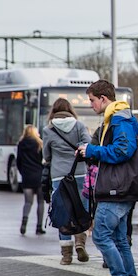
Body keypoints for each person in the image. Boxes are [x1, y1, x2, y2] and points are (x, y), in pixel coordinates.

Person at [79, 79, 138, 276]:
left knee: (100, 235)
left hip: (118, 189)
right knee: (119, 239)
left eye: (92, 100)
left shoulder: (119, 119)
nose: (91, 105)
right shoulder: (119, 118)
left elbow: (123, 150)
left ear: (104, 99)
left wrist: (93, 150)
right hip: (122, 187)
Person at [41, 98, 92, 264]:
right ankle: (80, 242)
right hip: (79, 174)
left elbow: (46, 155)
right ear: (70, 109)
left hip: (59, 176)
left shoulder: (48, 130)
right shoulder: (79, 125)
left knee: (62, 213)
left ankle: (66, 255)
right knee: (81, 209)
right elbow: (88, 144)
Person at [16, 125, 46, 236]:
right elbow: (44, 160)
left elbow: (18, 161)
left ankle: (24, 223)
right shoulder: (39, 143)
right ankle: (39, 227)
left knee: (28, 202)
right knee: (40, 202)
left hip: (27, 177)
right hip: (39, 176)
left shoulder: (21, 144)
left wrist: (23, 172)